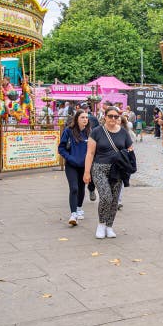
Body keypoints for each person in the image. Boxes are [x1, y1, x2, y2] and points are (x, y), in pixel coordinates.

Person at [83, 106, 134, 239]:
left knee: (114, 200)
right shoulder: (96, 132)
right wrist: (87, 172)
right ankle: (101, 224)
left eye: (116, 116)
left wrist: (128, 161)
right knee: (106, 197)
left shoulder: (123, 133)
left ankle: (109, 226)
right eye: (110, 116)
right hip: (99, 168)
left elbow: (130, 150)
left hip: (117, 169)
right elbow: (90, 153)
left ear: (119, 118)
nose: (113, 119)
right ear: (105, 117)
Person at [58, 109, 91, 226]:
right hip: (71, 165)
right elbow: (61, 148)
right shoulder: (68, 131)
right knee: (74, 188)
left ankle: (79, 208)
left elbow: (93, 151)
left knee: (81, 188)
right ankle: (73, 214)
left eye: (86, 117)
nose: (85, 120)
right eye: (82, 117)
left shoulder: (90, 133)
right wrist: (70, 158)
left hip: (84, 166)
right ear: (77, 119)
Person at [80, 102, 100, 201]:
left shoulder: (93, 119)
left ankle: (91, 189)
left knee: (91, 171)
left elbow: (98, 131)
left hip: (91, 148)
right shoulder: (74, 119)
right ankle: (79, 191)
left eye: (86, 108)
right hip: (79, 151)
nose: (85, 110)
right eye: (83, 108)